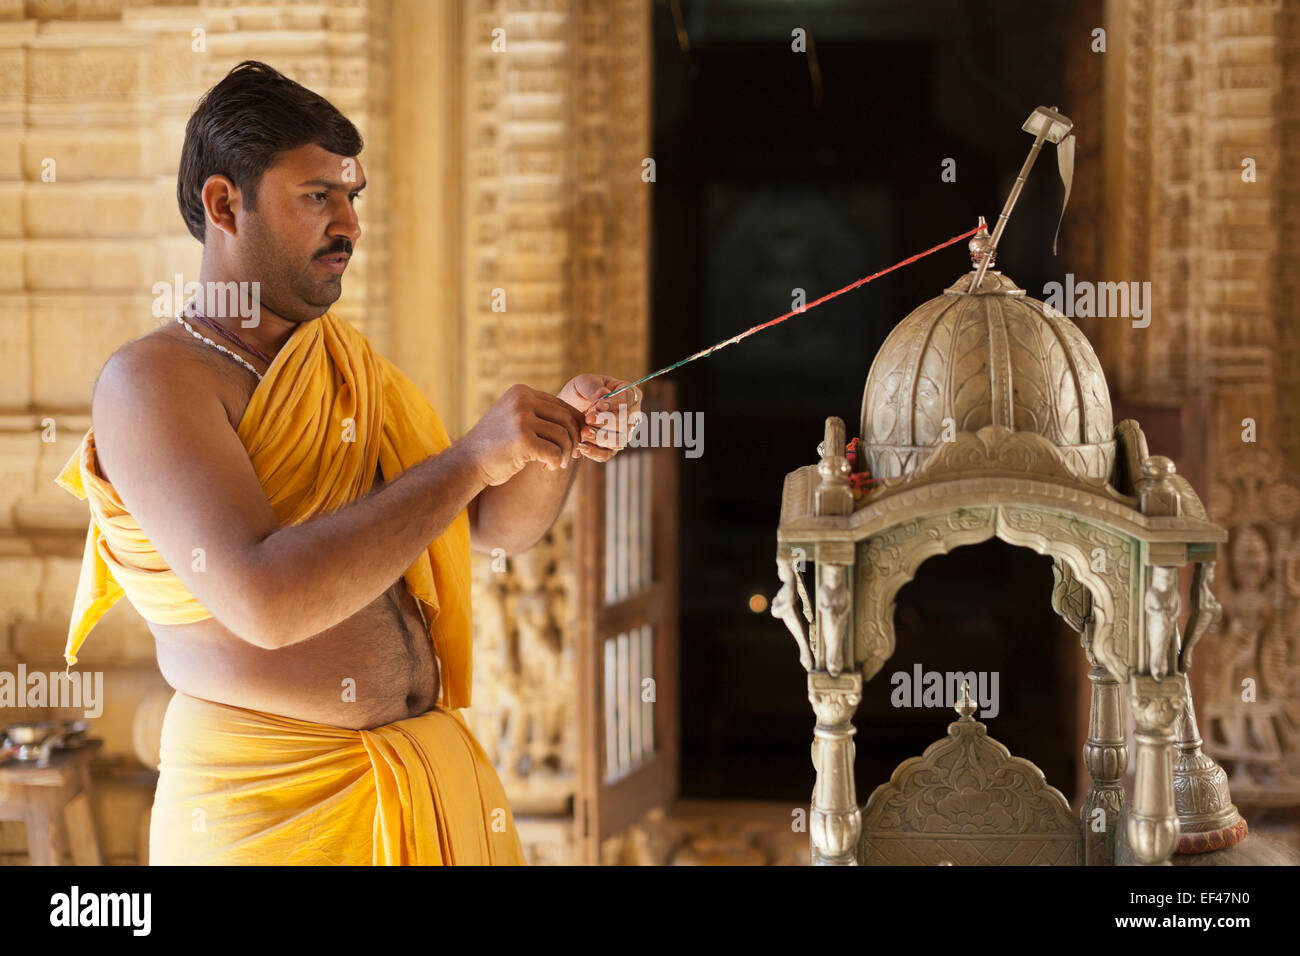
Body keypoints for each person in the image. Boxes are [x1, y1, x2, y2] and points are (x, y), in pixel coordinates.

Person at [55, 60, 642, 865]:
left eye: (352, 197)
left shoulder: (339, 366)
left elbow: (488, 528)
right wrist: (472, 456)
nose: (350, 224)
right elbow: (266, 602)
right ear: (225, 203)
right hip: (270, 809)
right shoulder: (152, 385)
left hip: (420, 783)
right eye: (317, 196)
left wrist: (553, 441)